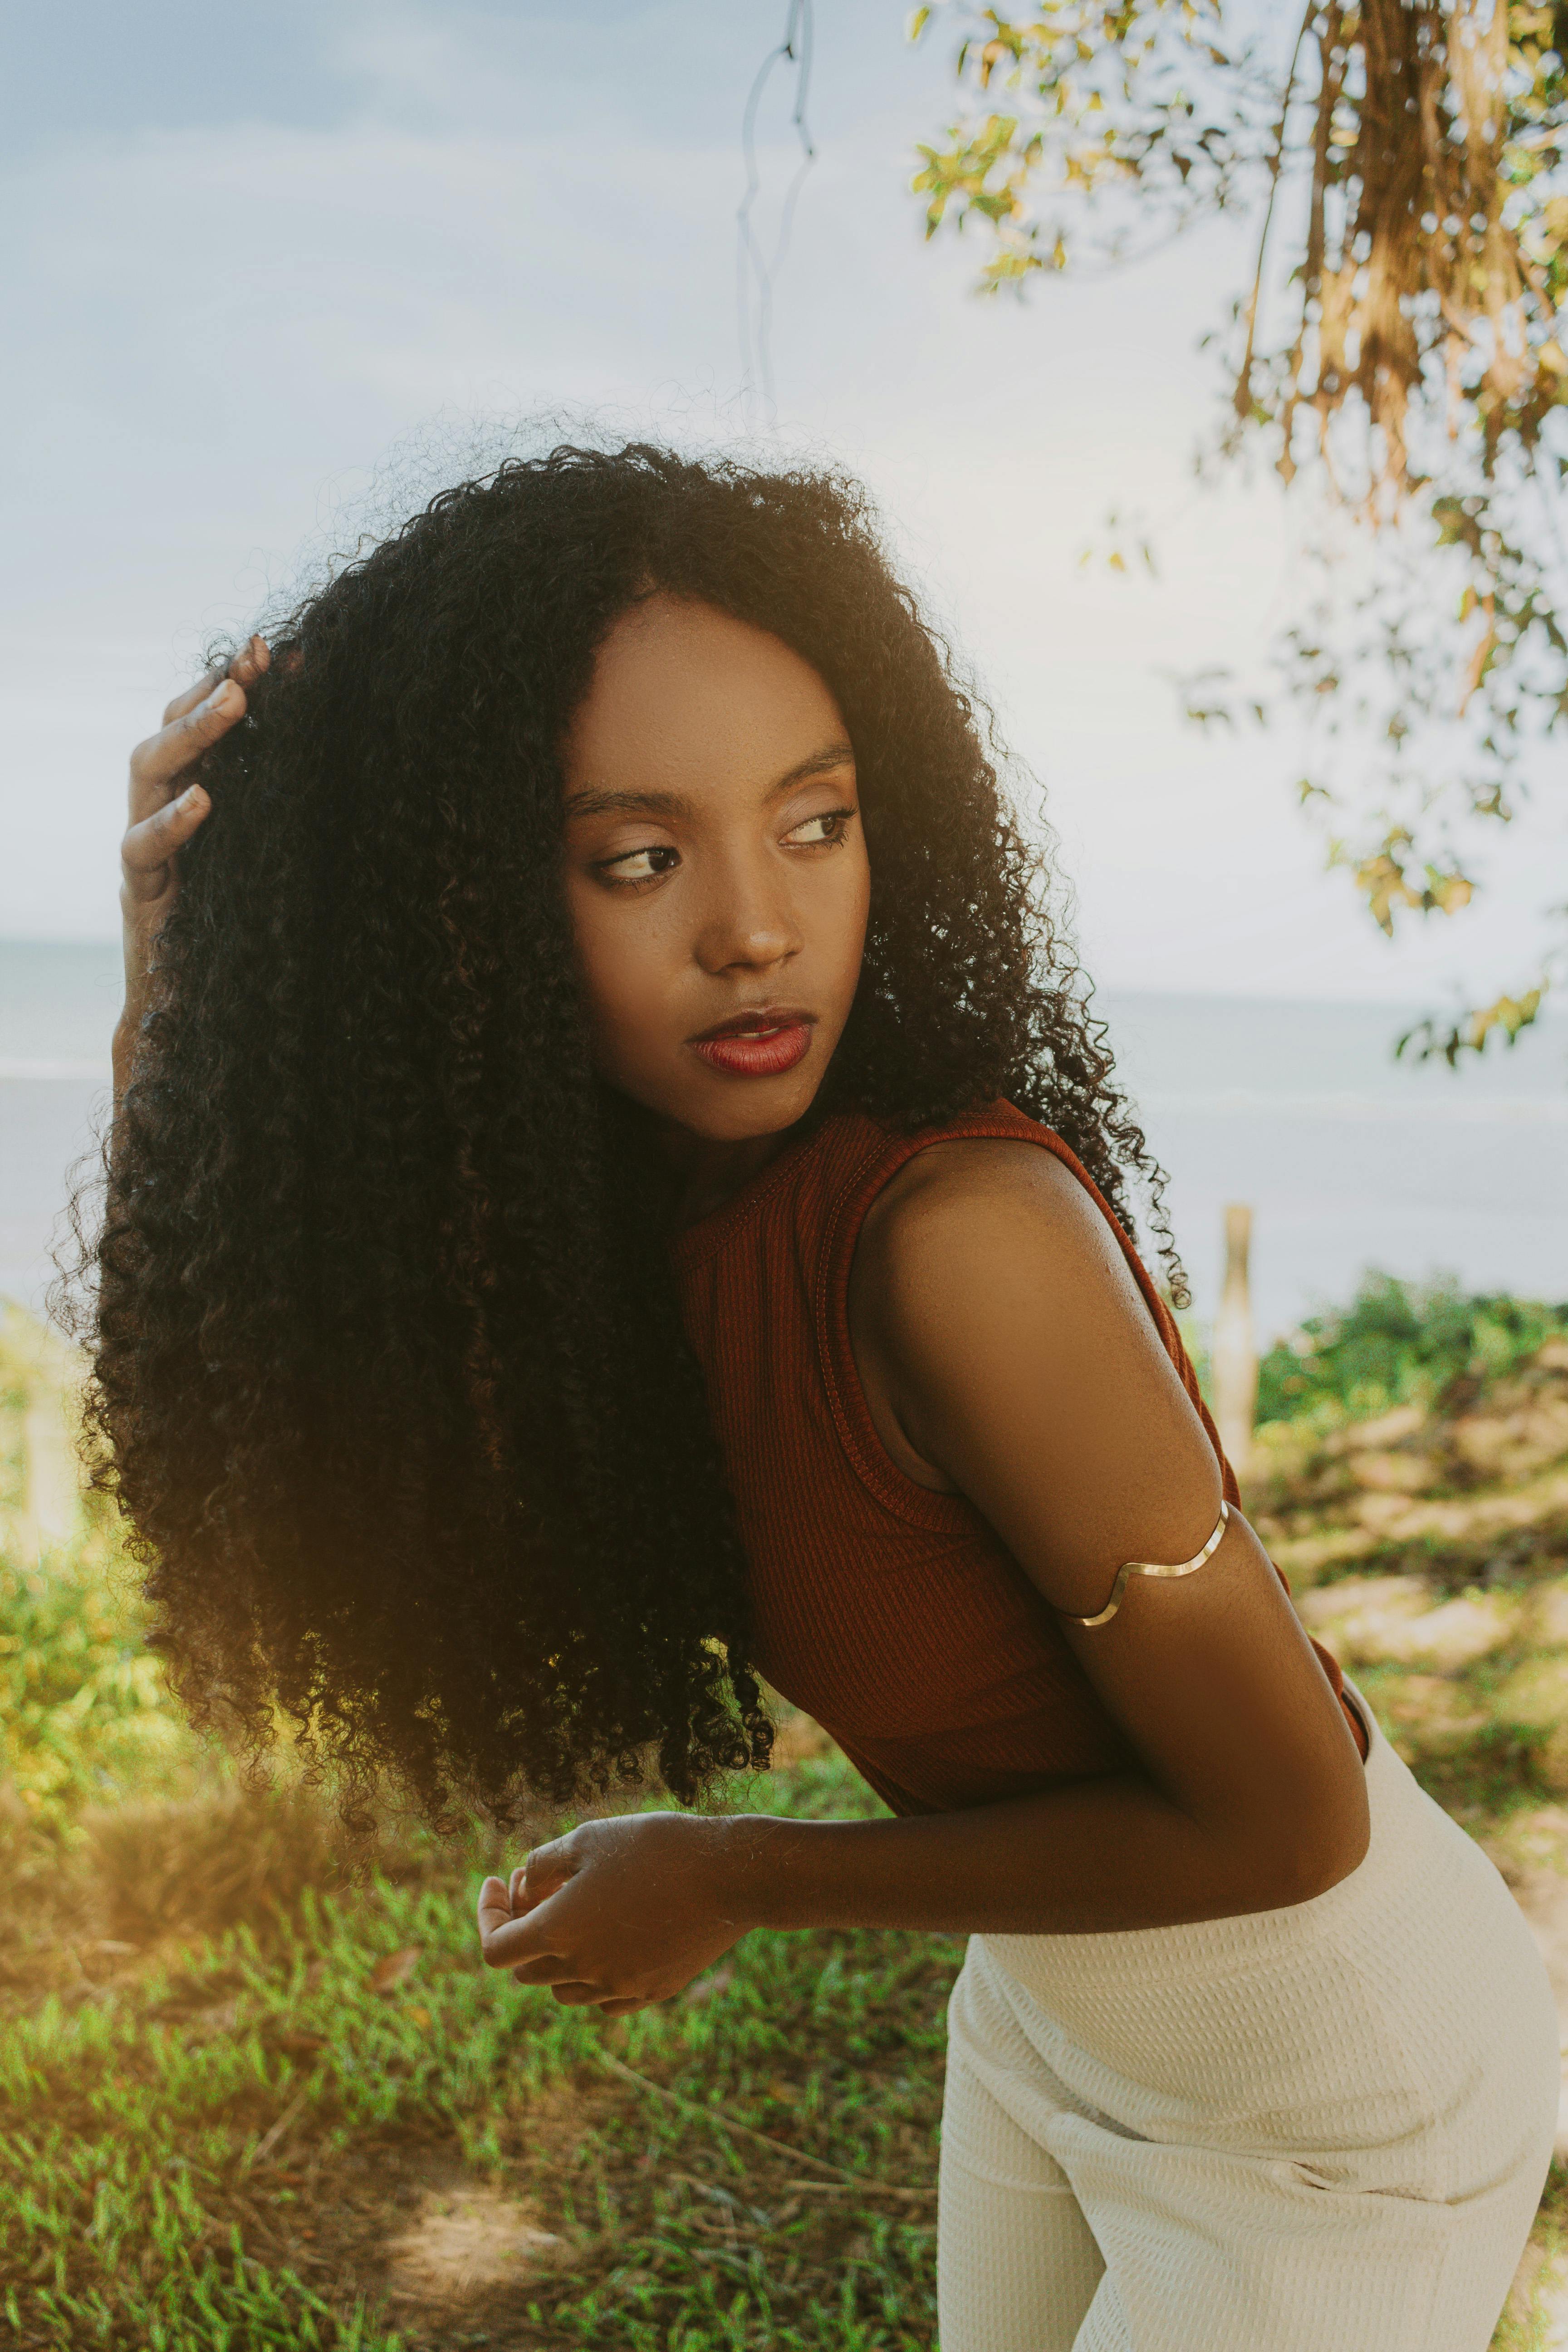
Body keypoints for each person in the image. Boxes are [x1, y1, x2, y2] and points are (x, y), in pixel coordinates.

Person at [107, 443, 1556, 2350]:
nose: (754, 927)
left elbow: (1292, 1823)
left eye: (817, 820)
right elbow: (292, 1445)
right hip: (1052, 2011)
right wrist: (185, 1008)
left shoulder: (956, 1239)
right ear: (453, 916)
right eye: (639, 858)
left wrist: (731, 1874)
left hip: (1332, 2091)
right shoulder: (616, 1223)